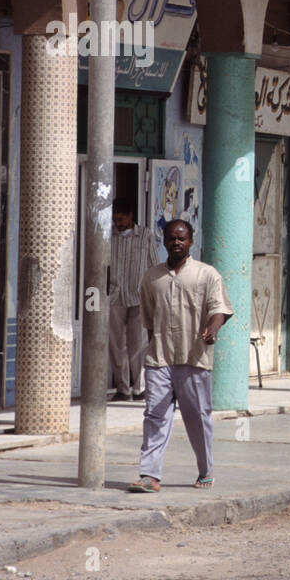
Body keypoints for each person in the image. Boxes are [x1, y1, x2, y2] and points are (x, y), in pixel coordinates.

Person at [129, 219, 233, 493]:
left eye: (181, 238)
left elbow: (219, 309)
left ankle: (205, 471)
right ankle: (149, 475)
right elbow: (149, 320)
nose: (176, 242)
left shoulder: (207, 275)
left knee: (197, 418)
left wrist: (213, 328)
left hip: (193, 359)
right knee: (155, 416)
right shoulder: (151, 277)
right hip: (159, 360)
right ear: (164, 241)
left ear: (190, 241)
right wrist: (154, 349)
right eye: (171, 238)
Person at [108, 199, 156, 402]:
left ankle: (139, 388)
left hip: (139, 296)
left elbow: (153, 265)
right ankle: (122, 388)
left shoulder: (145, 235)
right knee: (116, 344)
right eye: (115, 220)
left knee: (139, 344)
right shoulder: (108, 235)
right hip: (115, 295)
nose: (118, 223)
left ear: (130, 216)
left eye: (121, 219)